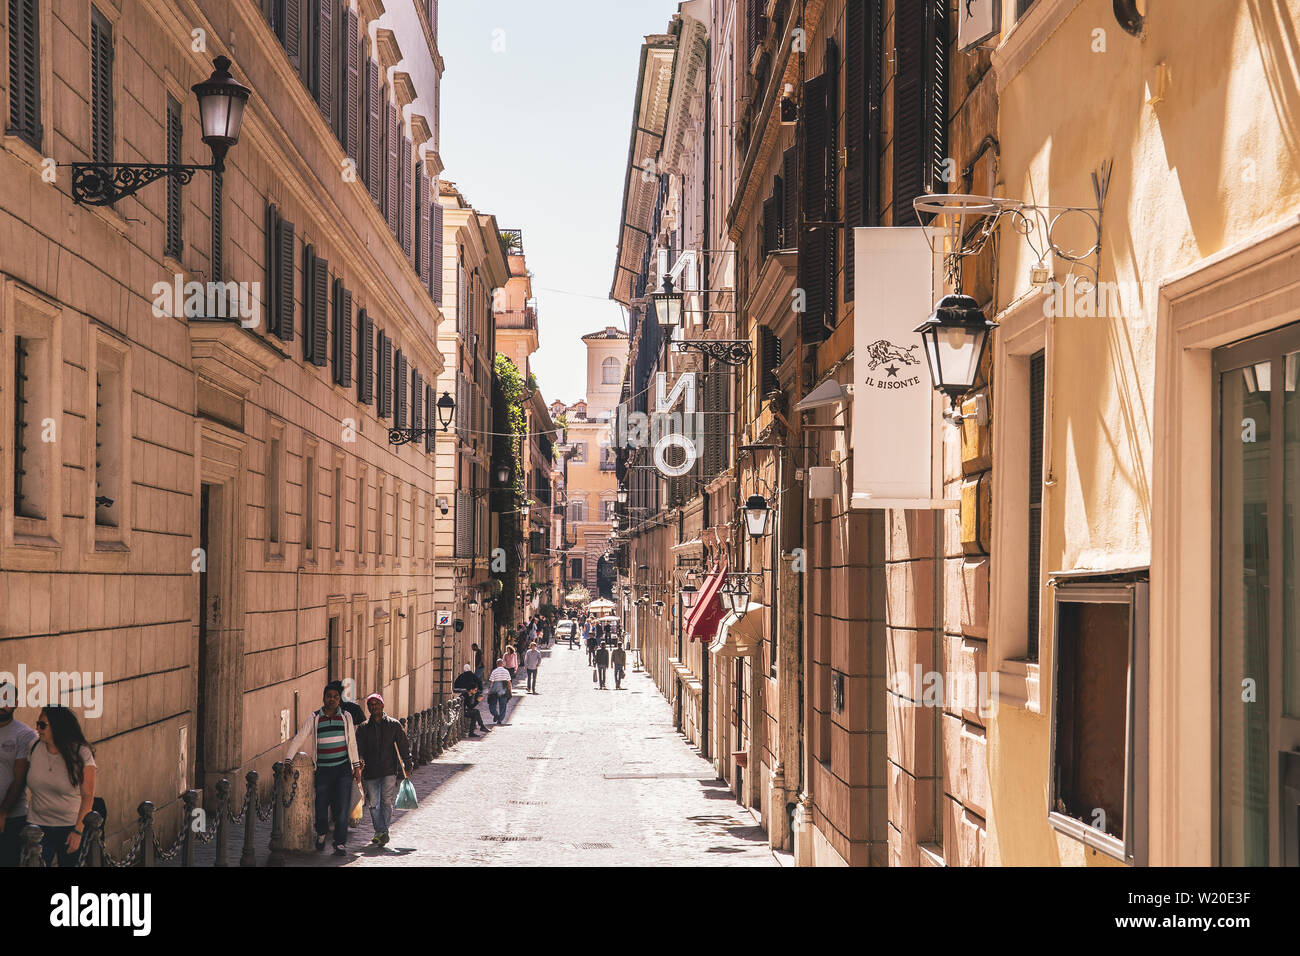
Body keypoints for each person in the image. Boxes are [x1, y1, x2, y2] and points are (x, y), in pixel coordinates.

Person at [285, 680, 363, 856]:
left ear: (339, 699)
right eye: (329, 696)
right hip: (323, 771)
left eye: (335, 697)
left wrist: (356, 767)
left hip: (343, 770)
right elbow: (299, 737)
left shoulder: (346, 717)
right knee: (321, 806)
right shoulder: (314, 718)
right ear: (324, 698)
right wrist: (288, 760)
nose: (332, 699)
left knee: (342, 808)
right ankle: (321, 833)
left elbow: (352, 743)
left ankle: (339, 843)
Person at [26, 706, 96, 868]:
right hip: (37, 827)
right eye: (37, 724)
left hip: (69, 827)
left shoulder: (81, 753)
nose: (37, 729)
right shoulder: (34, 747)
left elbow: (88, 796)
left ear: (57, 727)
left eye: (42, 725)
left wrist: (78, 831)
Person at [354, 693, 411, 848]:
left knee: (386, 801)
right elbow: (358, 748)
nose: (374, 707)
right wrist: (358, 762)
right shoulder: (363, 728)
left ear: (382, 705)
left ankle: (381, 832)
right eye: (371, 704)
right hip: (371, 771)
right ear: (368, 708)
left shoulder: (393, 725)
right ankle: (382, 832)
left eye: (376, 704)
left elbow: (403, 745)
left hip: (389, 769)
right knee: (374, 803)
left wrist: (408, 763)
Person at [0, 682, 38, 867]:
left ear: (16, 703)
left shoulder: (24, 734)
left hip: (12, 818)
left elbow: (20, 779)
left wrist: (3, 812)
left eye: (6, 699)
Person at [453, 665, 488, 736]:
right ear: (471, 690)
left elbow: (456, 684)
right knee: (476, 712)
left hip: (463, 707)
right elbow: (470, 706)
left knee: (475, 713)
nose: (476, 691)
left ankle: (476, 730)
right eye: (475, 690)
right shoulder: (467, 695)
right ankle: (480, 728)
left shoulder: (461, 676)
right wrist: (477, 700)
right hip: (462, 711)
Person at [486, 659, 513, 725]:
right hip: (504, 689)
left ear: (497, 664)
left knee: (492, 704)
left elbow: (491, 682)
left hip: (494, 690)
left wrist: (489, 691)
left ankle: (495, 714)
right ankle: (500, 719)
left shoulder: (494, 671)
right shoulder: (506, 671)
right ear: (502, 664)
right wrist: (510, 690)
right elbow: (509, 682)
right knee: (503, 705)